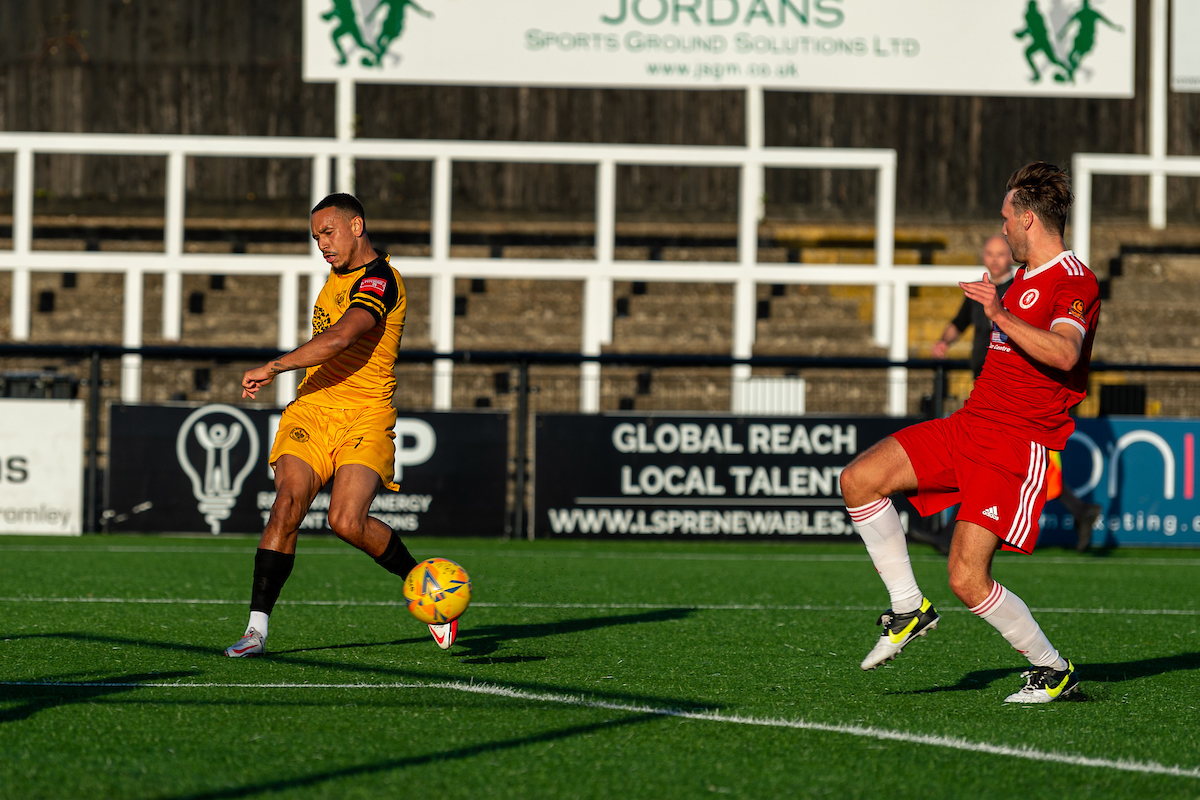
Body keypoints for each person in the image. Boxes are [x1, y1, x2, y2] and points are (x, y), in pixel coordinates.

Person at [840, 162, 1100, 703]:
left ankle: (1053, 670)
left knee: (966, 579)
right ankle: (908, 607)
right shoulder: (1020, 278)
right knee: (858, 480)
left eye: (1006, 217)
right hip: (969, 426)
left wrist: (999, 314)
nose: (1002, 229)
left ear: (1028, 219)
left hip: (1014, 445)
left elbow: (1066, 351)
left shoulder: (1075, 280)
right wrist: (998, 308)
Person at [224, 193, 459, 657]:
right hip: (313, 410)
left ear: (357, 226)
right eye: (315, 237)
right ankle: (256, 630)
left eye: (328, 233)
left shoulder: (381, 280)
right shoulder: (338, 274)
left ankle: (423, 584)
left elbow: (341, 337)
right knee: (287, 504)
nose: (322, 245)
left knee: (346, 521)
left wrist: (273, 367)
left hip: (366, 416)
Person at [915, 235, 1101, 554]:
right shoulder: (983, 289)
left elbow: (1061, 347)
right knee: (992, 465)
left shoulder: (1022, 288)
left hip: (1019, 401)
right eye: (989, 253)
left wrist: (1001, 315)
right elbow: (958, 323)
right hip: (987, 391)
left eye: (1001, 253)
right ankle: (1079, 511)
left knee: (1016, 468)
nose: (995, 259)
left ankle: (952, 534)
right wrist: (944, 342)